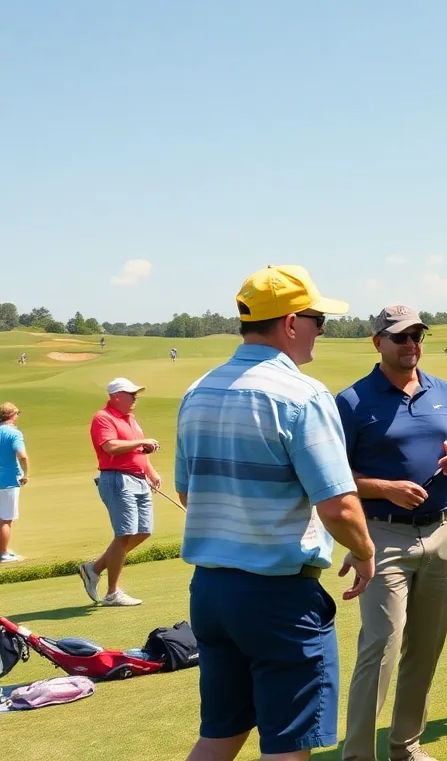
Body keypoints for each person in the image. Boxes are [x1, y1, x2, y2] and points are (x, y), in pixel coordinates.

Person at [177, 264, 376, 761]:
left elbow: (187, 492)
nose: (320, 331)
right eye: (317, 321)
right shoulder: (302, 394)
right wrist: (364, 550)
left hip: (210, 593)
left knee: (221, 733)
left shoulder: (198, 391)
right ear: (290, 323)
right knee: (288, 743)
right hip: (278, 597)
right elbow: (338, 505)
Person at [337, 305, 447, 761]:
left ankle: (405, 745)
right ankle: (358, 755)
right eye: (400, 337)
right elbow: (332, 475)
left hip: (443, 530)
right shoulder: (352, 401)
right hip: (383, 535)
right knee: (381, 646)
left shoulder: (443, 391)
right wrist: (384, 488)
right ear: (378, 342)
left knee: (426, 646)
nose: (411, 344)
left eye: (417, 335)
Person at [78, 377, 163, 607]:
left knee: (143, 531)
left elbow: (138, 452)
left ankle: (94, 569)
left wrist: (151, 472)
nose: (135, 398)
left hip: (139, 479)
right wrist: (141, 442)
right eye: (131, 394)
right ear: (116, 396)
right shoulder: (103, 417)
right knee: (124, 534)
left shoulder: (131, 420)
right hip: (118, 479)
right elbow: (110, 447)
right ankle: (112, 593)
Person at [0, 403, 29, 564]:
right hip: (8, 480)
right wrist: (26, 474)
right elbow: (22, 456)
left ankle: (2, 549)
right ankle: (3, 553)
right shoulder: (14, 433)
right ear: (11, 415)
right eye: (17, 413)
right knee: (6, 519)